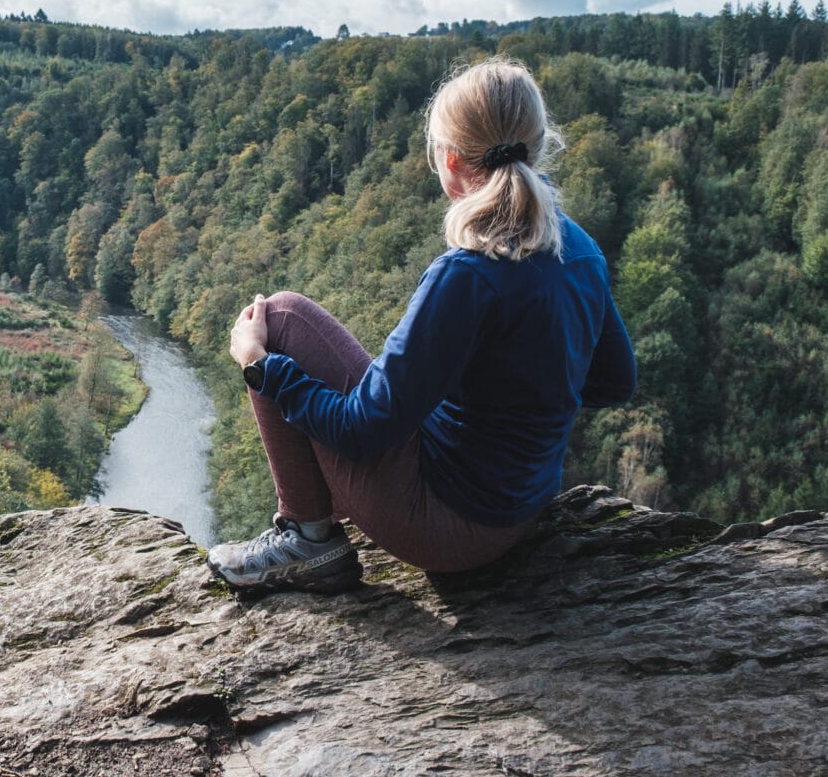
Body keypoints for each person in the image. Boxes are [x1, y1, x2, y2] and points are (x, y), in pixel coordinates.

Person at [206, 56, 637, 593]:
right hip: (521, 508)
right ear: (536, 142)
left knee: (282, 317)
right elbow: (616, 380)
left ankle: (310, 539)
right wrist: (518, 394)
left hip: (446, 530)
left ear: (450, 160)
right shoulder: (579, 249)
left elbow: (361, 432)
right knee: (332, 360)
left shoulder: (467, 275)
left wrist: (258, 366)